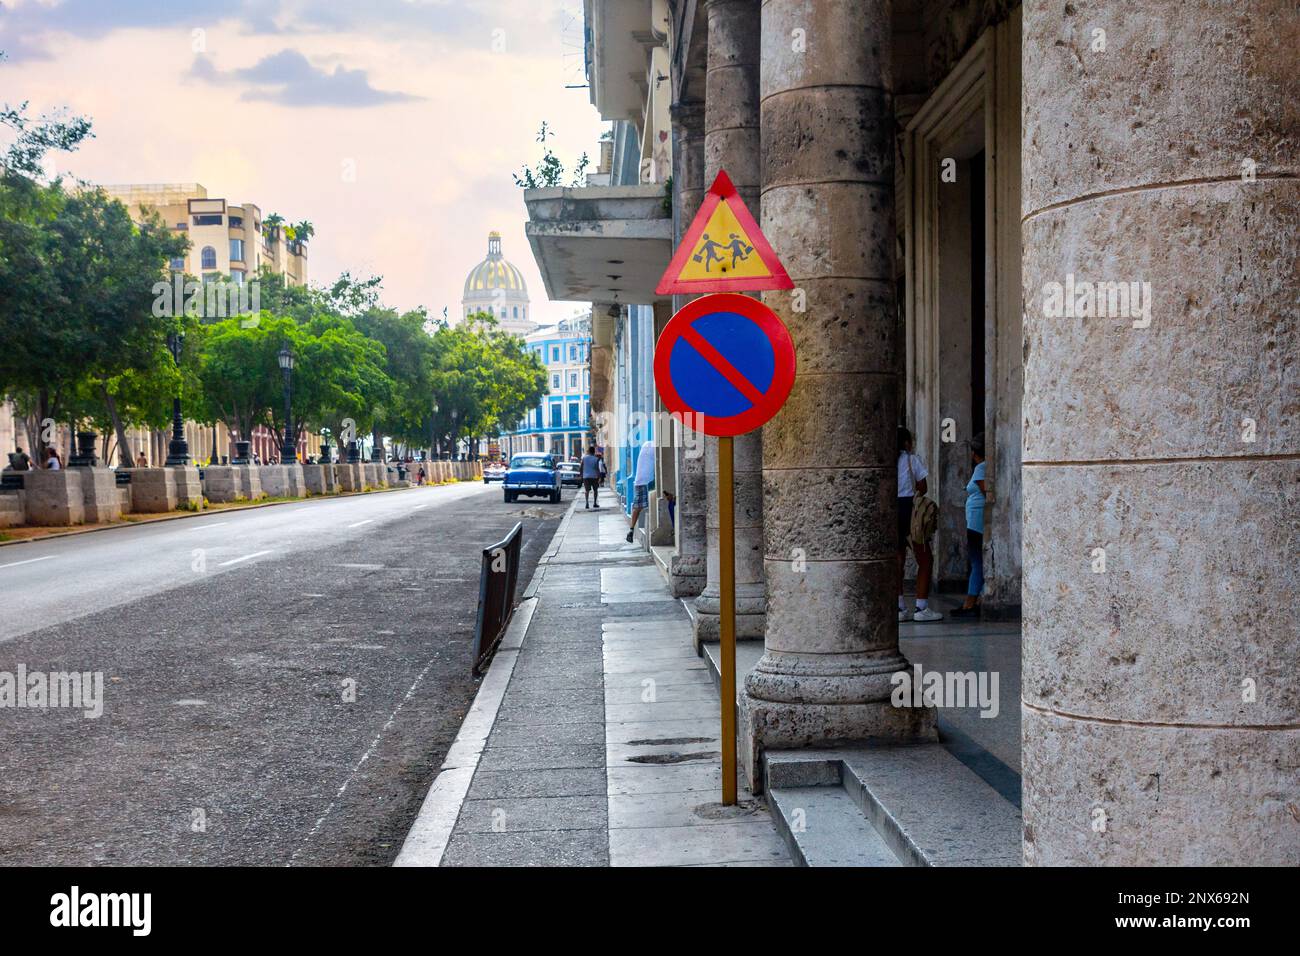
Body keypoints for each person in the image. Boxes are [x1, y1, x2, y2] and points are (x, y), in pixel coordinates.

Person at [897, 427, 941, 622]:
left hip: (893, 512)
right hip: (911, 511)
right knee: (925, 559)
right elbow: (922, 487)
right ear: (907, 442)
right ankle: (921, 606)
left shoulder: (888, 461)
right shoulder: (911, 460)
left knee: (897, 561)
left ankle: (899, 607)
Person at [952, 433, 988, 618]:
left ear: (974, 453)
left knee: (976, 560)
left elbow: (985, 490)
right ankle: (974, 599)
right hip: (975, 519)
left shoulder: (982, 468)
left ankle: (970, 602)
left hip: (977, 520)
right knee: (976, 560)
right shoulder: (981, 468)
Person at [626, 437, 655, 543]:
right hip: (648, 481)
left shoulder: (646, 445)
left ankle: (631, 529)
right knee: (651, 504)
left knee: (637, 507)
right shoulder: (654, 447)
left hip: (638, 480)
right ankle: (651, 527)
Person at [580, 445, 602, 510]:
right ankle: (595, 503)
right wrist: (599, 476)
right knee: (595, 490)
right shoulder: (596, 459)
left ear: (589, 451)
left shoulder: (584, 458)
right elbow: (597, 469)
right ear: (594, 451)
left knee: (587, 490)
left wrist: (581, 475)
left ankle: (587, 503)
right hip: (594, 477)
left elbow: (581, 467)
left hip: (586, 477)